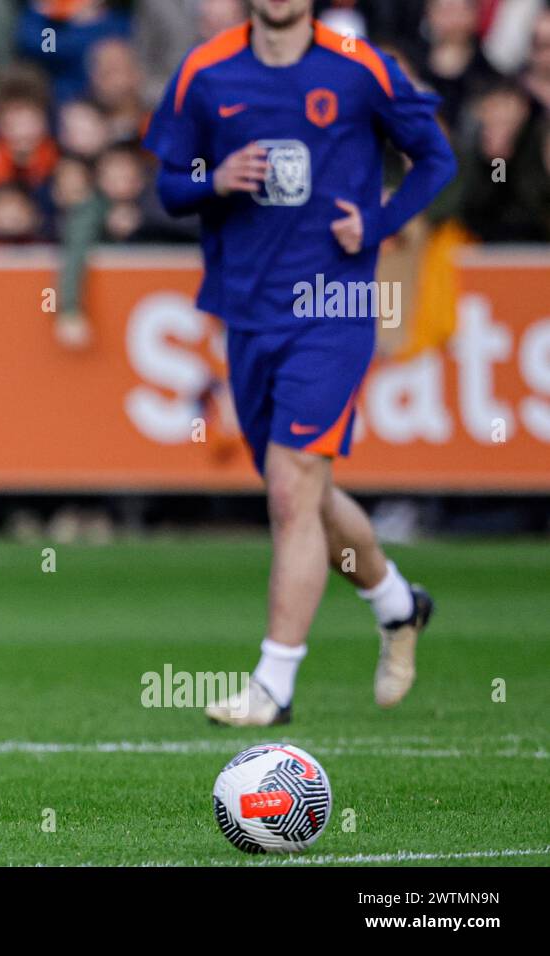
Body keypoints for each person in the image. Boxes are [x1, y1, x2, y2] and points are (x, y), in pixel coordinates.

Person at [143, 0, 456, 725]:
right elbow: (167, 186)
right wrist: (215, 179)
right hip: (248, 311)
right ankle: (398, 603)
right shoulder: (205, 71)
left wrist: (377, 223)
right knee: (306, 493)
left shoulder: (358, 68)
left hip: (336, 307)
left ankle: (274, 683)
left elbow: (437, 157)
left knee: (290, 486)